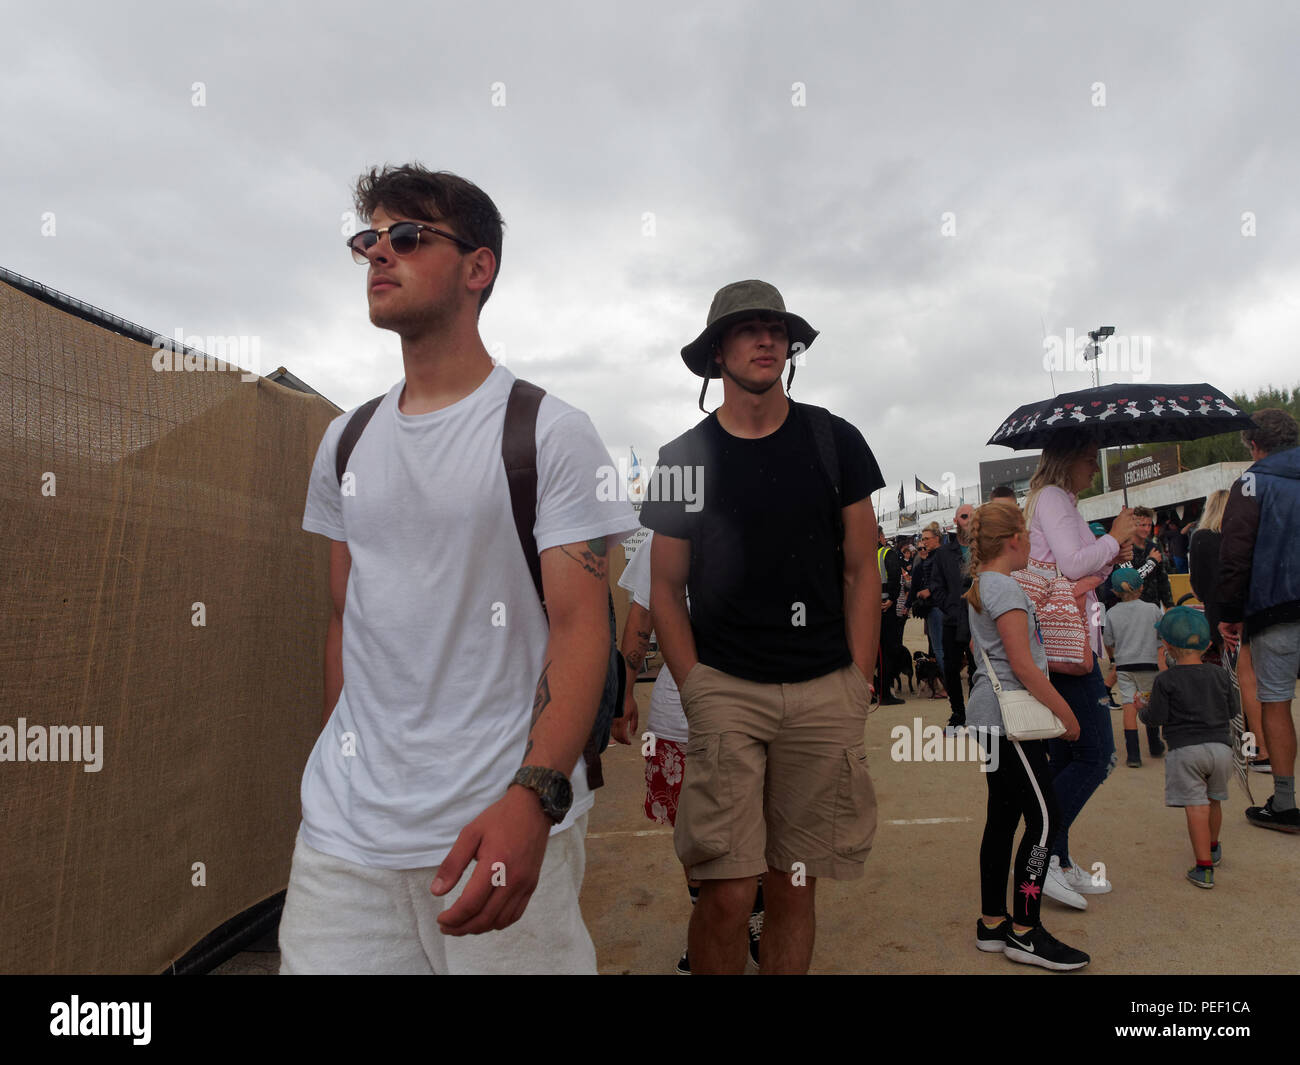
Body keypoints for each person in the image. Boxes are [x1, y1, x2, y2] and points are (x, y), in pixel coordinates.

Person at [280, 165, 637, 974]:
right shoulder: (344, 441)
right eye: (368, 238)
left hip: (493, 818)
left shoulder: (550, 433)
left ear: (480, 268)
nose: (379, 252)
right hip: (346, 839)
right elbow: (344, 616)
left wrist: (533, 798)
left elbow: (583, 629)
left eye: (407, 237)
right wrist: (340, 765)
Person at [641, 279, 885, 974]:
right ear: (717, 351)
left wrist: (858, 682)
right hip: (727, 691)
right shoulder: (682, 459)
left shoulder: (836, 441)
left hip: (823, 692)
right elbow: (664, 586)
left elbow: (862, 571)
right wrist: (697, 688)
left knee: (794, 884)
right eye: (748, 328)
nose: (767, 338)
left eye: (776, 327)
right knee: (724, 891)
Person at [614, 532, 763, 973]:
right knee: (697, 844)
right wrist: (623, 693)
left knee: (760, 834)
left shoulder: (768, 513)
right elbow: (641, 617)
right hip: (680, 721)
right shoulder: (663, 535)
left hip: (755, 713)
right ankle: (713, 930)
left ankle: (746, 922)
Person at [964, 501, 1089, 970]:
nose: (1033, 544)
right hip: (1012, 722)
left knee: (1002, 817)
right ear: (1015, 539)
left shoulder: (984, 586)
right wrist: (1066, 713)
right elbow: (1021, 665)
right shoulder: (1007, 590)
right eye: (1029, 536)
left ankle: (994, 921)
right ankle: (1025, 930)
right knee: (1044, 819)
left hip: (991, 718)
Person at [1022, 430, 1139, 910]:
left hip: (1067, 644)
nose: (1094, 468)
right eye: (1089, 459)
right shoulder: (1053, 497)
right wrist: (1113, 537)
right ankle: (1042, 854)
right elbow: (1071, 567)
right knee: (1096, 755)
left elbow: (1079, 572)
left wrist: (1112, 552)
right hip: (1068, 649)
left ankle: (1057, 862)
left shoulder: (1055, 499)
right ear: (1067, 460)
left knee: (1068, 759)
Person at [1218, 408, 1300, 834]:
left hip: (1277, 606)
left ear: (1254, 444)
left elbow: (1235, 555)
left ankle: (1285, 804)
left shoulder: (1251, 482)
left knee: (1276, 700)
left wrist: (1229, 614)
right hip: (1280, 605)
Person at [1140, 608, 1237, 887]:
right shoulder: (1219, 674)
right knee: (1214, 799)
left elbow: (1155, 717)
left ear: (1166, 645)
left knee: (1196, 806)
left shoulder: (1165, 680)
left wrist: (1141, 710)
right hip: (1221, 748)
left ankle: (1204, 867)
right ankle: (1214, 847)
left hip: (1186, 750)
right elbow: (1233, 709)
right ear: (1207, 644)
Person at [1192, 489, 1271, 771]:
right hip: (1257, 612)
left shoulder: (1203, 539)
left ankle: (1257, 749)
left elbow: (1199, 587)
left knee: (1242, 684)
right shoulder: (1247, 536)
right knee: (1260, 682)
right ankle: (1264, 744)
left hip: (1225, 617)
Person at [1103, 567, 1166, 768]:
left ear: (1114, 592)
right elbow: (1161, 637)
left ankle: (1133, 754)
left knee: (1129, 705)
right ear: (1141, 588)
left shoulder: (1112, 613)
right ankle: (1154, 744)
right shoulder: (1153, 610)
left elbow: (1109, 640)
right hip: (1149, 663)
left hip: (1124, 665)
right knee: (1148, 702)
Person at [931, 504, 975, 729]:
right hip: (953, 619)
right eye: (965, 516)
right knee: (951, 667)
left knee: (979, 668)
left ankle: (978, 712)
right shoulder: (943, 553)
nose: (969, 520)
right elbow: (936, 586)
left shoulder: (984, 549)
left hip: (980, 620)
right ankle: (958, 713)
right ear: (956, 521)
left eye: (972, 516)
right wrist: (950, 607)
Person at [877, 527, 906, 706]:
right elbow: (895, 577)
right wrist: (893, 599)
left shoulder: (863, 553)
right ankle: (885, 693)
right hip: (886, 607)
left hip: (867, 608)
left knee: (874, 652)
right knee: (888, 650)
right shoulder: (887, 553)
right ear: (880, 536)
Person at [1130, 506, 1174, 608]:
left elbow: (1162, 578)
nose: (1147, 529)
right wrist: (1151, 562)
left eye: (1149, 525)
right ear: (1133, 525)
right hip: (1133, 608)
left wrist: (1170, 605)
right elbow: (1129, 582)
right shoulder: (1124, 549)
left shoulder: (1153, 547)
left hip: (1154, 606)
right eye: (1143, 525)